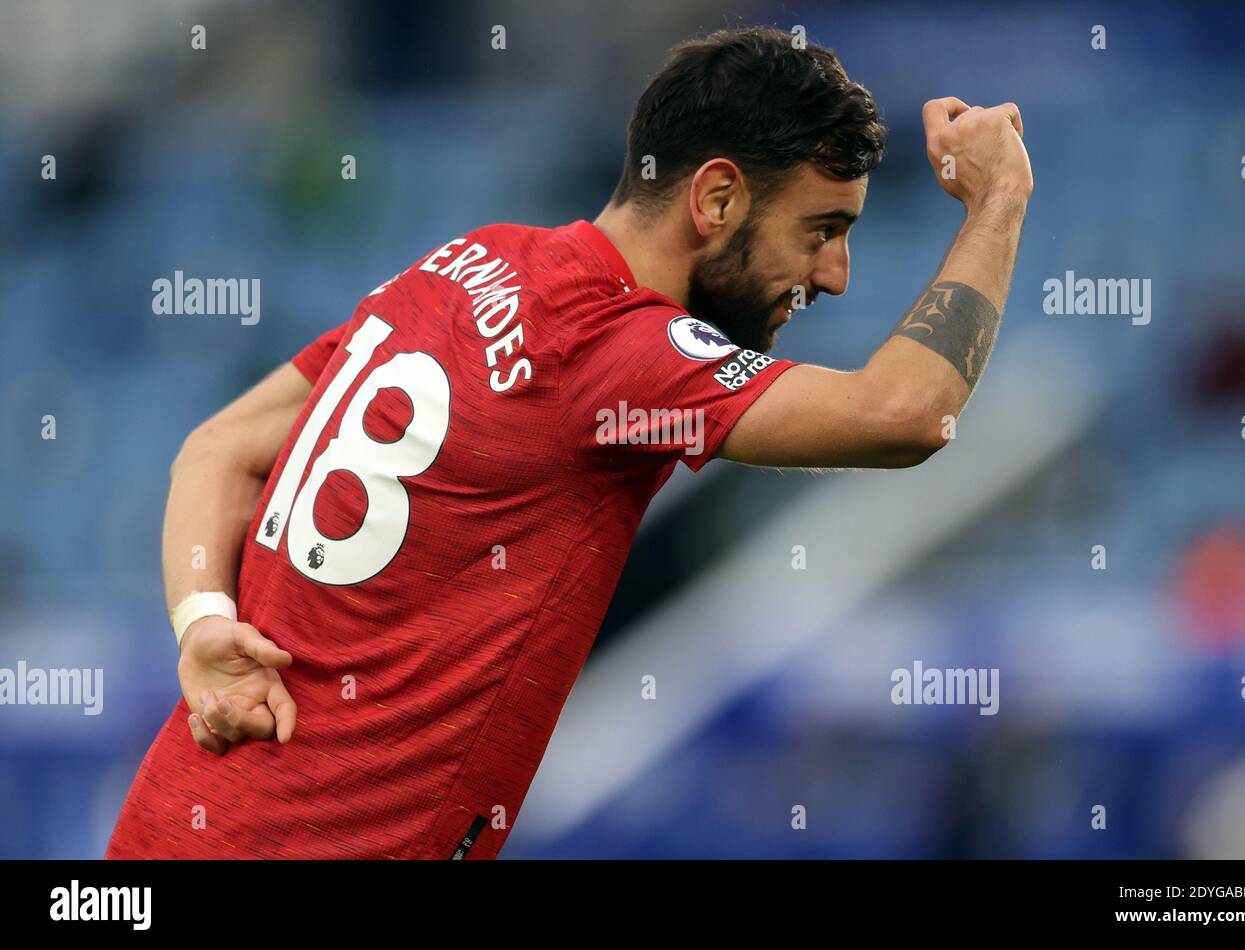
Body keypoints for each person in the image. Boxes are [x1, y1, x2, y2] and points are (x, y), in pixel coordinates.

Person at [106, 25, 1031, 859]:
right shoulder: (613, 347)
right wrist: (999, 202)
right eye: (821, 230)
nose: (834, 273)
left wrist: (200, 625)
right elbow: (907, 413)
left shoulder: (467, 259)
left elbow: (217, 445)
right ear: (714, 198)